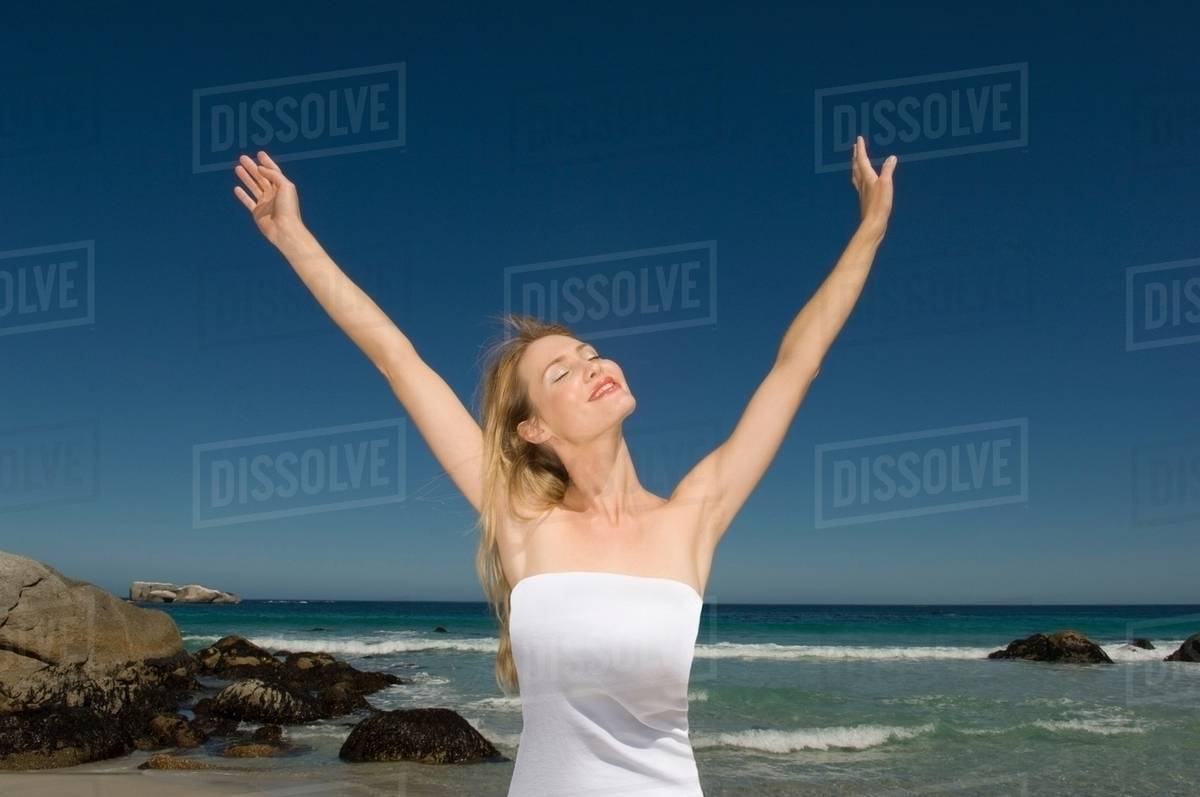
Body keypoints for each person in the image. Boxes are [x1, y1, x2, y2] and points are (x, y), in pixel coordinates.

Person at [231, 136, 897, 795]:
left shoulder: (692, 515)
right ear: (535, 427)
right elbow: (396, 357)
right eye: (562, 371)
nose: (593, 366)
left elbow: (796, 363)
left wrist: (868, 229)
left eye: (590, 353)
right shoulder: (522, 519)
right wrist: (292, 235)